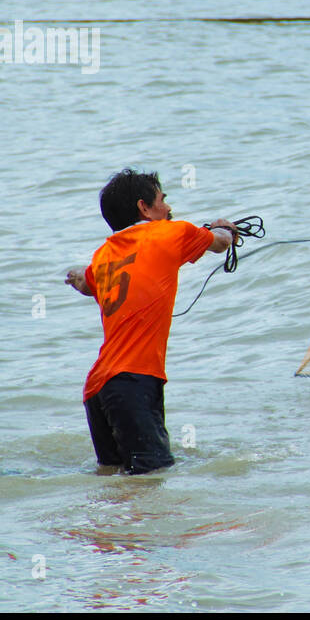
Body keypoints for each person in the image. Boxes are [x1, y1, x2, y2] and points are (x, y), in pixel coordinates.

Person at [65, 168, 237, 475]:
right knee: (151, 482)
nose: (169, 208)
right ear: (144, 208)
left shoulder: (103, 256)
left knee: (115, 484)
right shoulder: (172, 232)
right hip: (133, 381)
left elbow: (85, 283)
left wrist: (76, 275)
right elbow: (221, 243)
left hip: (97, 390)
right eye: (163, 200)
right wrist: (223, 228)